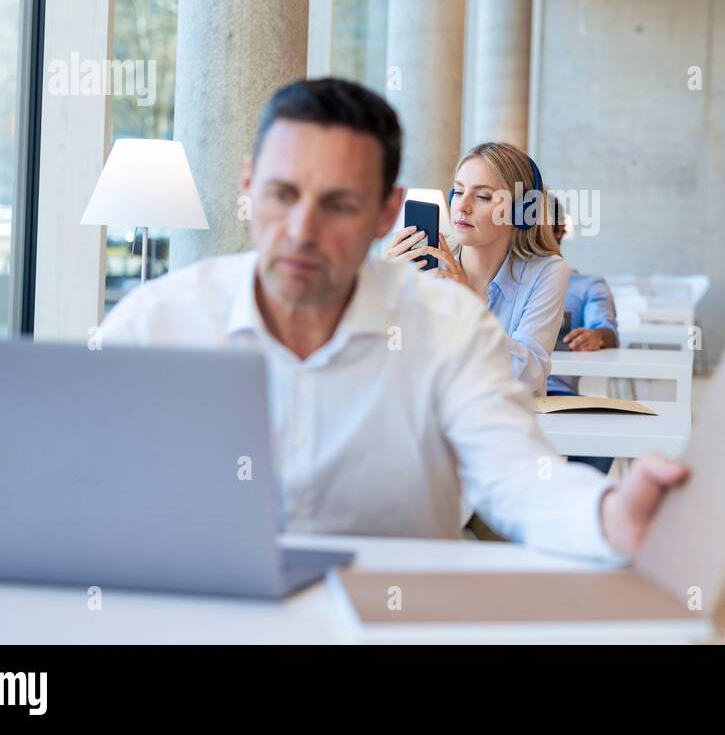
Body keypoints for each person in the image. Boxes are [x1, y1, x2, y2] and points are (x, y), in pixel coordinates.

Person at [96, 78, 687, 561]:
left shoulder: (449, 327)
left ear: (385, 213)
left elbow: (515, 474)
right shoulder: (156, 324)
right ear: (250, 185)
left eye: (339, 204)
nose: (302, 231)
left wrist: (606, 515)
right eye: (282, 194)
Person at [386, 142, 567, 399]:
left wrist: (466, 307)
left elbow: (528, 376)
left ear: (522, 210)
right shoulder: (426, 263)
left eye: (482, 196)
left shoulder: (547, 272)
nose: (463, 206)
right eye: (458, 192)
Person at [546, 199, 620, 475]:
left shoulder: (587, 285)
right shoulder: (501, 281)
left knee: (604, 432)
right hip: (504, 393)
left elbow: (608, 332)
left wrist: (598, 336)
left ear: (559, 231)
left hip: (556, 393)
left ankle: (573, 504)